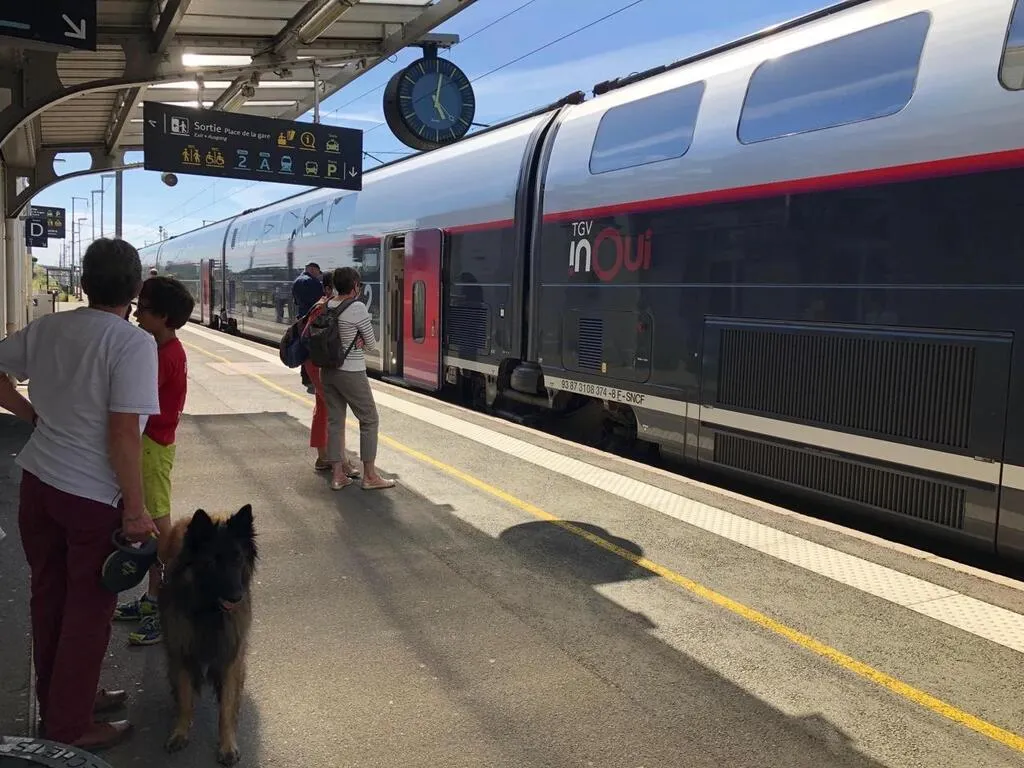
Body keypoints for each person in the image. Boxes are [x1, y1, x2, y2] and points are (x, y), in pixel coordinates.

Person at [0, 237, 160, 751]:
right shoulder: (133, 344)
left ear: (83, 284)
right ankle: (68, 726)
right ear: (135, 289)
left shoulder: (50, 327)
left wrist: (30, 416)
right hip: (90, 498)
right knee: (89, 611)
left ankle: (69, 698)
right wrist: (135, 513)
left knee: (50, 598)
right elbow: (122, 436)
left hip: (38, 485)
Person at [113, 276, 194, 646]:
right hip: (152, 445)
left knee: (159, 527)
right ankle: (152, 599)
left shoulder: (163, 356)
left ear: (163, 317)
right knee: (153, 526)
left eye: (142, 308)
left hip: (153, 448)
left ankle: (167, 608)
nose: (135, 312)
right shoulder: (164, 349)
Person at [321, 267, 395, 491]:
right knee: (369, 419)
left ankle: (337, 476)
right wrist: (361, 340)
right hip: (350, 371)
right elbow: (372, 344)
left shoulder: (328, 304)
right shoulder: (357, 307)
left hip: (328, 371)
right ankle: (370, 476)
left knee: (335, 421)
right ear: (354, 286)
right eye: (359, 285)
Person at [301, 270, 334, 472]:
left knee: (324, 408)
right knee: (331, 409)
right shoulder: (323, 308)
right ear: (329, 289)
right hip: (318, 364)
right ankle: (332, 458)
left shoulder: (321, 305)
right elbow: (315, 339)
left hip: (316, 363)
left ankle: (324, 456)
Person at [293, 262, 324, 393]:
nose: (319, 274)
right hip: (312, 321)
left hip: (301, 319)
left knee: (304, 349)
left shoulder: (296, 282)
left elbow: (295, 301)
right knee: (313, 351)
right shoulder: (314, 283)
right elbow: (319, 303)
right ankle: (312, 379)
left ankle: (305, 378)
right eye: (318, 271)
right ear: (312, 269)